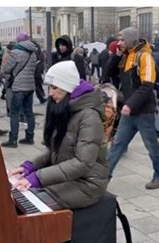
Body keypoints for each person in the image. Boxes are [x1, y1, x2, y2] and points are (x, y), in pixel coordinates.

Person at [7, 61, 109, 209]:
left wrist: (37, 178)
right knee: (21, 195)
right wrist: (29, 167)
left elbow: (83, 163)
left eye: (55, 87)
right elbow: (55, 149)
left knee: (35, 203)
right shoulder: (65, 107)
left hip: (87, 183)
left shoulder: (89, 117)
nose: (50, 93)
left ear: (68, 87)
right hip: (69, 176)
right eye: (49, 87)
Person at [105, 27, 159, 190]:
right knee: (117, 144)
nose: (119, 43)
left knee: (151, 145)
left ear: (131, 40)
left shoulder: (144, 57)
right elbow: (107, 75)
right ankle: (104, 177)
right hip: (129, 111)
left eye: (122, 40)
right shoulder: (126, 57)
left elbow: (147, 86)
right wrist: (115, 56)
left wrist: (129, 105)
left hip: (143, 112)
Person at [1, 35, 38, 148]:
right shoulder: (33, 52)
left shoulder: (15, 52)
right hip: (30, 86)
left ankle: (13, 140)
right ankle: (30, 136)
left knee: (14, 113)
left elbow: (7, 69)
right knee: (29, 112)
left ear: (18, 41)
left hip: (18, 87)